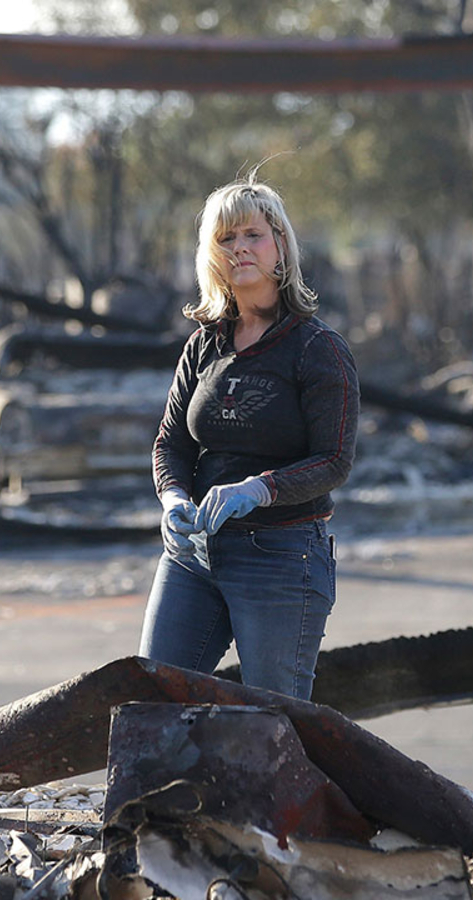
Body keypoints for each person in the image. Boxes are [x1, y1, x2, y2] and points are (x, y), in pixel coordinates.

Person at [141, 175, 359, 701]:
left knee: (272, 722)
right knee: (151, 702)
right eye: (225, 238)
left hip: (282, 556)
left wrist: (255, 490)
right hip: (193, 554)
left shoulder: (317, 349)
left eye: (253, 235)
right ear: (210, 255)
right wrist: (172, 497)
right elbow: (171, 442)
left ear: (280, 246)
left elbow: (333, 460)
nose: (240, 248)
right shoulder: (203, 344)